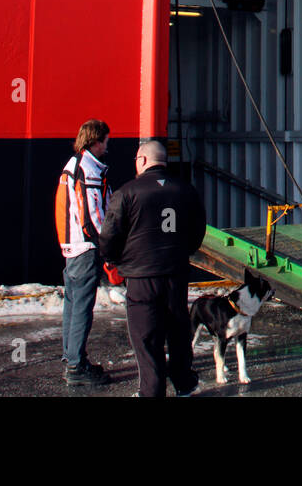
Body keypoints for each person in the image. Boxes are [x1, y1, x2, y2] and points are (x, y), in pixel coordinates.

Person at [100, 140, 207, 398]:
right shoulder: (187, 191)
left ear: (143, 161)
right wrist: (182, 253)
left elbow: (109, 236)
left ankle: (152, 390)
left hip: (141, 277)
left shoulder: (126, 193)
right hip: (175, 273)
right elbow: (198, 231)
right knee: (178, 329)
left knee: (146, 335)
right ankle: (183, 382)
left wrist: (116, 260)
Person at [56, 119, 113, 386]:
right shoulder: (86, 169)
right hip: (85, 249)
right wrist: (107, 245)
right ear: (95, 141)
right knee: (81, 308)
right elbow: (91, 215)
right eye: (105, 140)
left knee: (72, 304)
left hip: (72, 248)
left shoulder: (73, 165)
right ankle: (77, 367)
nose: (107, 145)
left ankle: (71, 359)